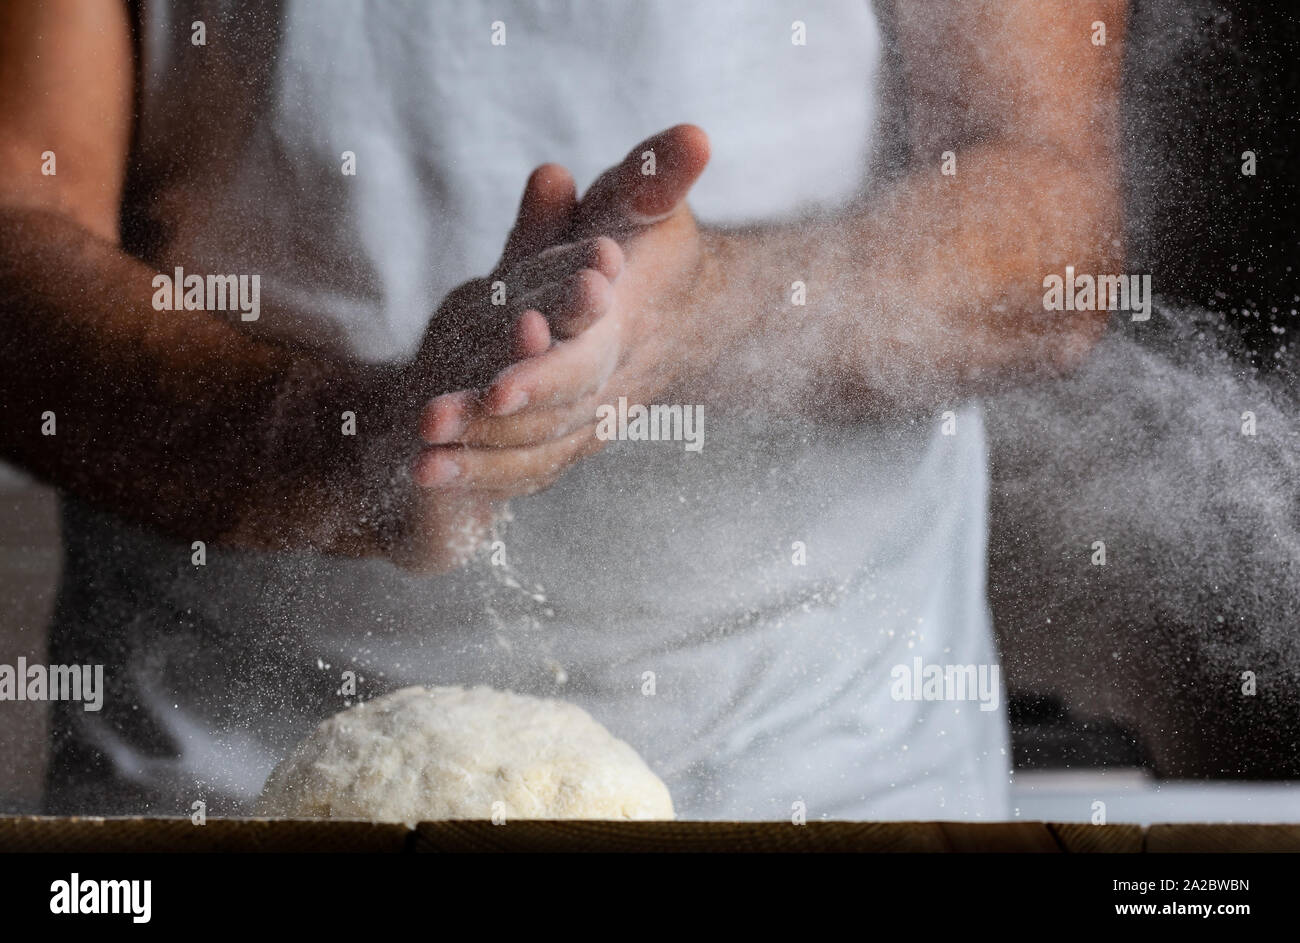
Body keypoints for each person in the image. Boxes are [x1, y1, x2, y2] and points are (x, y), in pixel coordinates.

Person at [0, 0, 1125, 818]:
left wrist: (707, 310)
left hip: (817, 769)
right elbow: (17, 237)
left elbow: (1052, 222)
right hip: (229, 784)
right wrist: (341, 442)